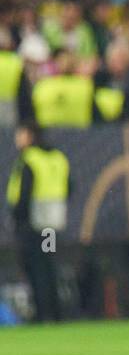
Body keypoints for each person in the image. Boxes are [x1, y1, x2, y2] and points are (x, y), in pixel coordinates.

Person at [6, 121, 67, 322]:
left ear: (30, 136)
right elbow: (70, 185)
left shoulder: (30, 159)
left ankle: (42, 313)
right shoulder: (58, 158)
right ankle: (56, 312)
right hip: (52, 224)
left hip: (32, 225)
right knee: (50, 265)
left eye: (21, 133)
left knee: (36, 267)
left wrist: (16, 217)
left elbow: (24, 194)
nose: (18, 138)